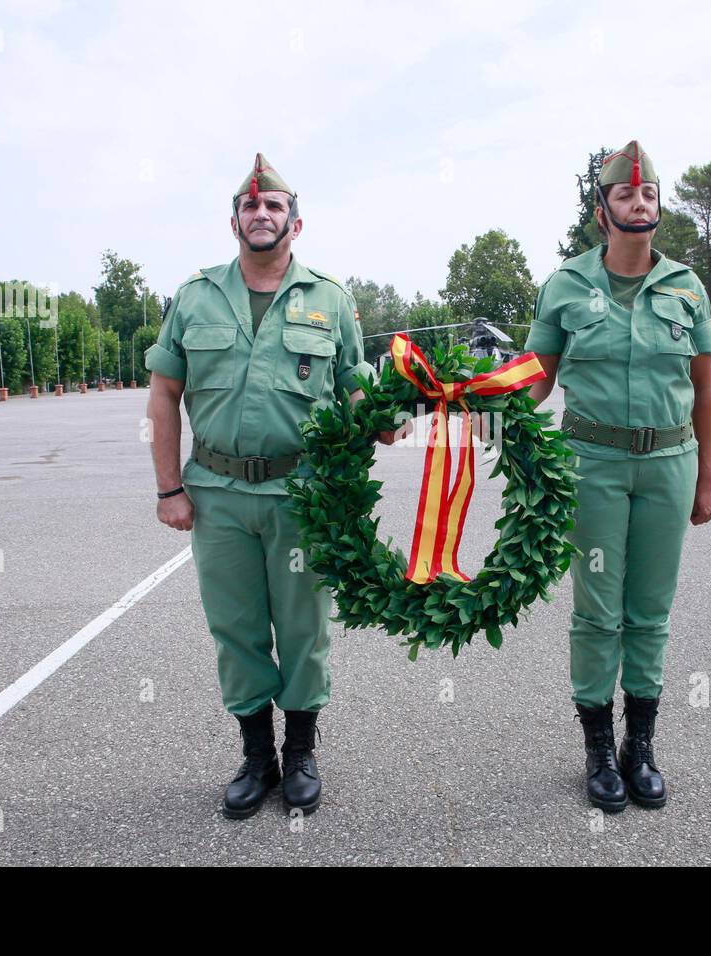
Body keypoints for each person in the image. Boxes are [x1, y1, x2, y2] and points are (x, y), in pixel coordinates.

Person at [145, 153, 400, 819]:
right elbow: (165, 394)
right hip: (220, 495)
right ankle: (257, 757)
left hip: (300, 493)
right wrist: (169, 487)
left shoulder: (331, 300)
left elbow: (354, 388)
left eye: (275, 206)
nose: (262, 214)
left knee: (303, 627)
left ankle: (303, 753)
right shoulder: (196, 296)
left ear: (296, 222)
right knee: (236, 628)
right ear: (234, 220)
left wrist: (384, 416)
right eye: (251, 206)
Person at [524, 141, 711, 812]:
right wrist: (476, 411)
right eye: (626, 194)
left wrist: (709, 476)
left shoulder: (686, 286)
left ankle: (643, 745)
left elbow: (703, 385)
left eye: (650, 195)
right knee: (597, 611)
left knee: (651, 612)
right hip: (593, 464)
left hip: (669, 461)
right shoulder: (566, 285)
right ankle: (599, 749)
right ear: (602, 209)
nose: (640, 202)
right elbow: (535, 380)